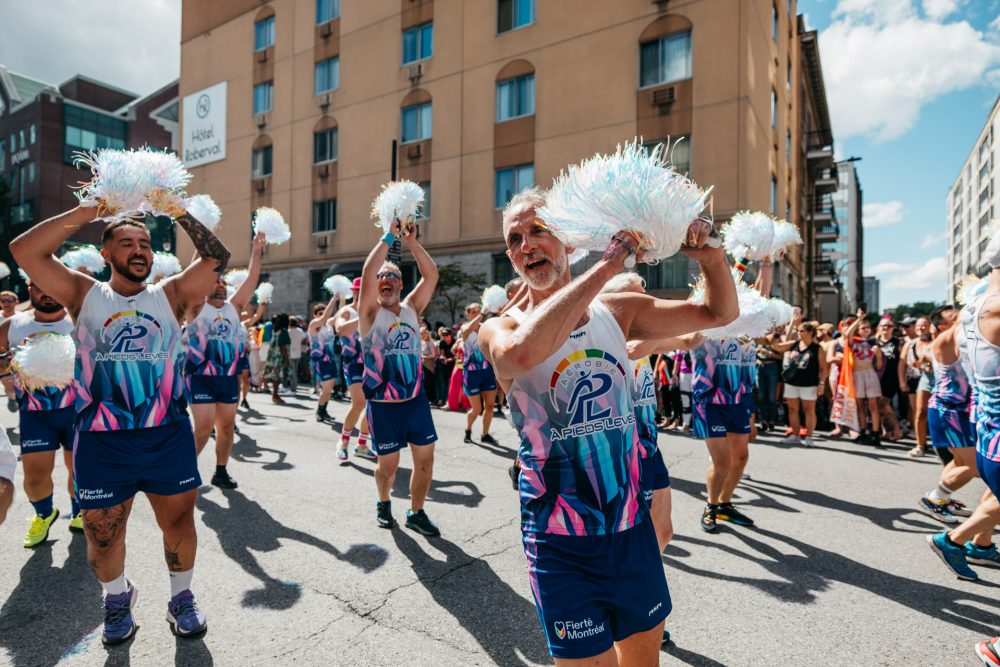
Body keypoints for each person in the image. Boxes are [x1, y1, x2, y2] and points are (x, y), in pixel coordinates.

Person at [479, 188, 737, 664]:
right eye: (514, 239)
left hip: (630, 529)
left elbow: (718, 314)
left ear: (571, 241)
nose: (526, 245)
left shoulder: (617, 313)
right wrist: (608, 267)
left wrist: (712, 258)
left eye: (539, 230)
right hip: (559, 541)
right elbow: (520, 356)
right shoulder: (500, 327)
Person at [12, 201, 230, 644]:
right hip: (100, 439)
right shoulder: (82, 293)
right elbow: (26, 251)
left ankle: (181, 599)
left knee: (179, 523)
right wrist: (88, 209)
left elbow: (216, 260)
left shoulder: (172, 295)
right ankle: (116, 598)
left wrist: (179, 213)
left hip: (165, 434)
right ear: (106, 254)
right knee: (103, 536)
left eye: (145, 244)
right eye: (126, 243)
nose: (139, 250)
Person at [359, 216, 440, 535]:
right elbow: (367, 273)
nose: (385, 279)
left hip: (415, 402)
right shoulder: (369, 314)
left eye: (392, 276)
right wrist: (388, 237)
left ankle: (416, 512)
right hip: (383, 406)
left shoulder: (411, 308)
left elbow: (431, 275)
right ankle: (383, 501)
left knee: (425, 463)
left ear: (401, 284)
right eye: (382, 277)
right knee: (388, 468)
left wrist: (411, 242)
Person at [0, 280, 81, 544]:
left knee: (79, 470)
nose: (46, 292)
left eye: (51, 285)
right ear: (30, 288)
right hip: (35, 415)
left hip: (77, 410)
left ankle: (79, 513)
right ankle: (45, 514)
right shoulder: (12, 325)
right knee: (34, 479)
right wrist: (7, 372)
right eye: (38, 287)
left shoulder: (80, 320)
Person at [184, 232, 265, 490]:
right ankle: (184, 471)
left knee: (227, 428)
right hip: (200, 378)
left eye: (223, 282)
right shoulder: (196, 307)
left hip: (227, 379)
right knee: (204, 429)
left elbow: (252, 278)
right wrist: (202, 244)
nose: (220, 285)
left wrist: (256, 249)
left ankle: (220, 472)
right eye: (214, 281)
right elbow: (188, 279)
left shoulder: (234, 306)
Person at [918, 305, 977, 524]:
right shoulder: (944, 340)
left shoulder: (957, 338)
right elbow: (966, 319)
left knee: (960, 460)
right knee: (974, 465)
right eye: (954, 317)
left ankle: (942, 498)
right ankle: (935, 498)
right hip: (948, 409)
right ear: (942, 325)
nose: (960, 318)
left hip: (955, 409)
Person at [333, 278, 374, 462]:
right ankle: (343, 441)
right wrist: (362, 316)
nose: (363, 293)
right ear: (354, 292)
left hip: (372, 363)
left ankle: (362, 444)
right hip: (352, 362)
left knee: (372, 406)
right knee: (358, 403)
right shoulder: (346, 311)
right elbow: (340, 329)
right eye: (359, 290)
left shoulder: (374, 312)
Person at [839, 312, 884, 445]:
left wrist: (879, 355)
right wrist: (859, 319)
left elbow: (879, 366)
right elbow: (848, 334)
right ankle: (863, 430)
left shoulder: (873, 342)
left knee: (873, 405)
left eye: (868, 328)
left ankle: (875, 433)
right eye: (863, 328)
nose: (866, 330)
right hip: (857, 375)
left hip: (870, 373)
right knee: (860, 406)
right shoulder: (854, 342)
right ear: (858, 330)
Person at [460, 302, 500, 445]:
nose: (476, 313)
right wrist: (482, 314)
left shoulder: (486, 328)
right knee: (477, 409)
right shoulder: (465, 328)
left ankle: (485, 434)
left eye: (478, 311)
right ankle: (468, 430)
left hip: (487, 372)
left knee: (490, 406)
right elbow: (469, 328)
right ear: (468, 314)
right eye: (473, 311)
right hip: (471, 374)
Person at [904, 316, 934, 456]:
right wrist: (923, 364)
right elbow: (911, 363)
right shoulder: (913, 343)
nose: (921, 328)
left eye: (924, 325)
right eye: (918, 326)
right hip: (925, 378)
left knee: (938, 414)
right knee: (920, 411)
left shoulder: (936, 341)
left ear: (930, 326)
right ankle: (920, 445)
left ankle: (943, 447)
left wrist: (923, 364)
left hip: (941, 378)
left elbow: (937, 364)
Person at [873, 315, 905, 441]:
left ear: (894, 328)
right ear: (878, 328)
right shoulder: (873, 342)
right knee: (879, 407)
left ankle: (897, 431)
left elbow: (903, 362)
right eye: (883, 325)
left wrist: (902, 380)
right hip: (875, 378)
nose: (886, 328)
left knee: (883, 404)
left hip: (891, 379)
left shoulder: (898, 343)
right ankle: (886, 431)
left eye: (889, 325)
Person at [308, 298, 340, 420]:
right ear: (315, 315)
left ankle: (323, 411)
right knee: (326, 389)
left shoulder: (329, 324)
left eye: (324, 312)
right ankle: (319, 412)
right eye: (320, 313)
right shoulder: (314, 325)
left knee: (329, 389)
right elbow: (325, 316)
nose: (323, 315)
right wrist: (334, 299)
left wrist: (342, 298)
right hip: (320, 361)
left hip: (330, 360)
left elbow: (340, 313)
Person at [262, 314, 290, 404]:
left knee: (275, 377)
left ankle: (275, 394)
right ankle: (275, 395)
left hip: (272, 356)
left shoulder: (275, 330)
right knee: (277, 377)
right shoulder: (283, 331)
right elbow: (282, 346)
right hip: (279, 356)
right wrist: (287, 358)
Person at [0, 290, 19, 411]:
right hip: (2, 360)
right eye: (3, 300)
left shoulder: (23, 318)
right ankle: (12, 398)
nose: (6, 303)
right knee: (10, 388)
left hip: (22, 359)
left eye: (9, 300)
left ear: (16, 302)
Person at [435, 327, 455, 405]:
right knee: (444, 381)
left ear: (451, 335)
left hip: (455, 363)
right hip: (445, 364)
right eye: (443, 334)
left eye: (446, 334)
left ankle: (451, 399)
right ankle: (444, 399)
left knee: (452, 382)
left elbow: (457, 355)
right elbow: (442, 354)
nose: (444, 336)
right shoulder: (442, 343)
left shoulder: (455, 342)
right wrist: (444, 359)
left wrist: (450, 360)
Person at [287, 316, 306, 394]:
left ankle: (293, 388)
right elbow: (303, 339)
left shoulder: (288, 332)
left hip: (290, 353)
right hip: (298, 352)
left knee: (292, 372)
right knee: (295, 370)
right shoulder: (300, 331)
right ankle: (294, 387)